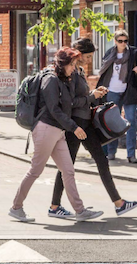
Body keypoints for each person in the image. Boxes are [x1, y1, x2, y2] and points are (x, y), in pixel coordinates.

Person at [49, 38, 137, 219]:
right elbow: (70, 102)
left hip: (86, 123)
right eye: (89, 56)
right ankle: (54, 206)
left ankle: (119, 203)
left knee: (101, 159)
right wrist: (92, 96)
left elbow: (81, 97)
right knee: (66, 167)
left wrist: (95, 94)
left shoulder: (79, 71)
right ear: (79, 53)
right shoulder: (70, 73)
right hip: (75, 126)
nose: (90, 60)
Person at [10, 47, 103, 223]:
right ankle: (16, 207)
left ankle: (80, 210)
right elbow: (54, 110)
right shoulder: (50, 80)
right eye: (72, 64)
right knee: (35, 171)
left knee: (68, 171)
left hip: (58, 131)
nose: (74, 68)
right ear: (63, 64)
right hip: (46, 129)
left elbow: (70, 103)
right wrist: (74, 127)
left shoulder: (64, 79)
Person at [97, 31, 137, 163]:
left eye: (125, 41)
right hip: (112, 91)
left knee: (130, 121)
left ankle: (131, 154)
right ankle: (111, 152)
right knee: (113, 122)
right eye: (120, 41)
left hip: (128, 91)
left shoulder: (133, 53)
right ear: (115, 41)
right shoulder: (110, 53)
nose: (123, 44)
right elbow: (104, 69)